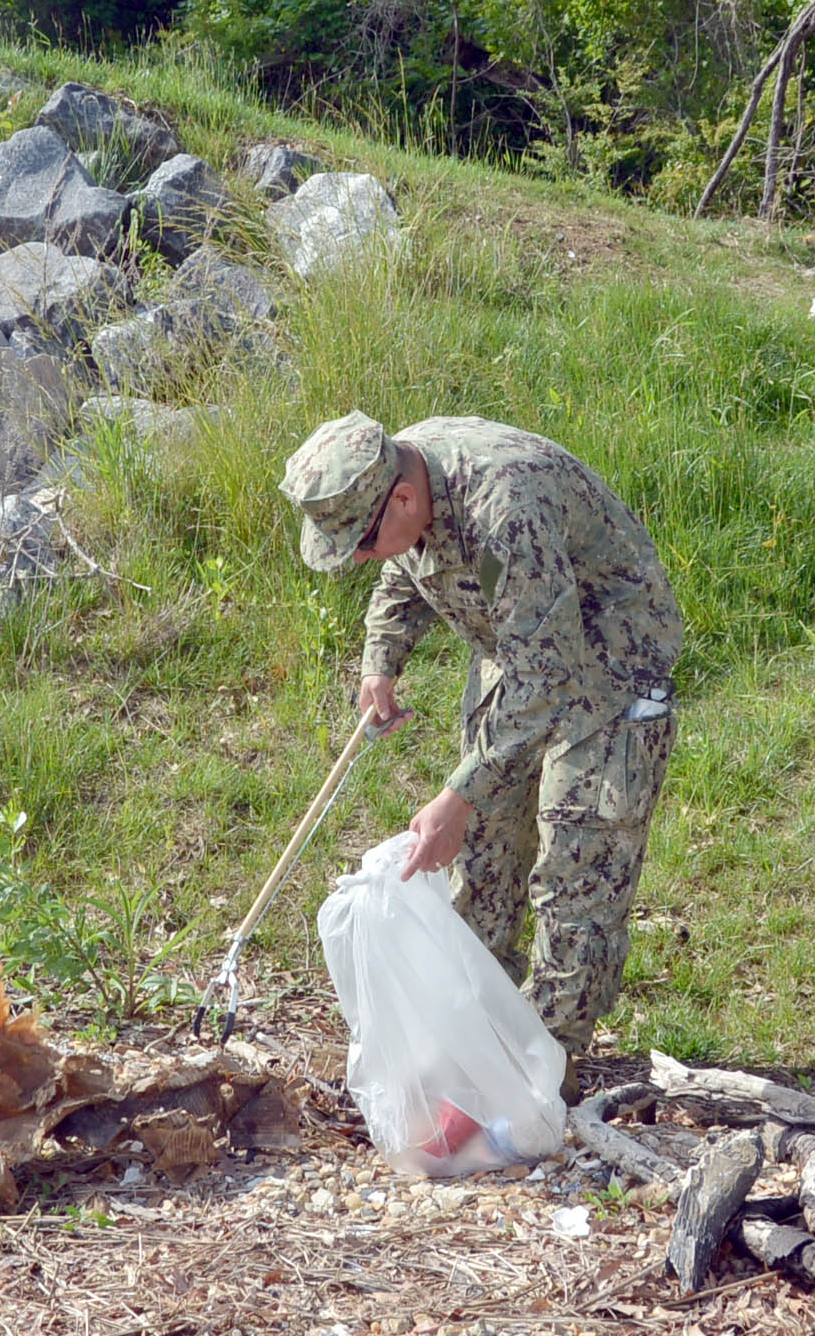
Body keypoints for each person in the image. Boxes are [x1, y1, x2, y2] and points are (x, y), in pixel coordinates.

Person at [280, 412, 682, 1098]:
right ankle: (480, 1026)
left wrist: (456, 795)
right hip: (521, 646)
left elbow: (548, 677)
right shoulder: (401, 474)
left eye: (360, 542)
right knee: (484, 848)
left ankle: (544, 1068)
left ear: (402, 500)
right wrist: (382, 660)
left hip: (612, 662)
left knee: (578, 868)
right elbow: (402, 568)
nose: (359, 558)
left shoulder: (504, 507)